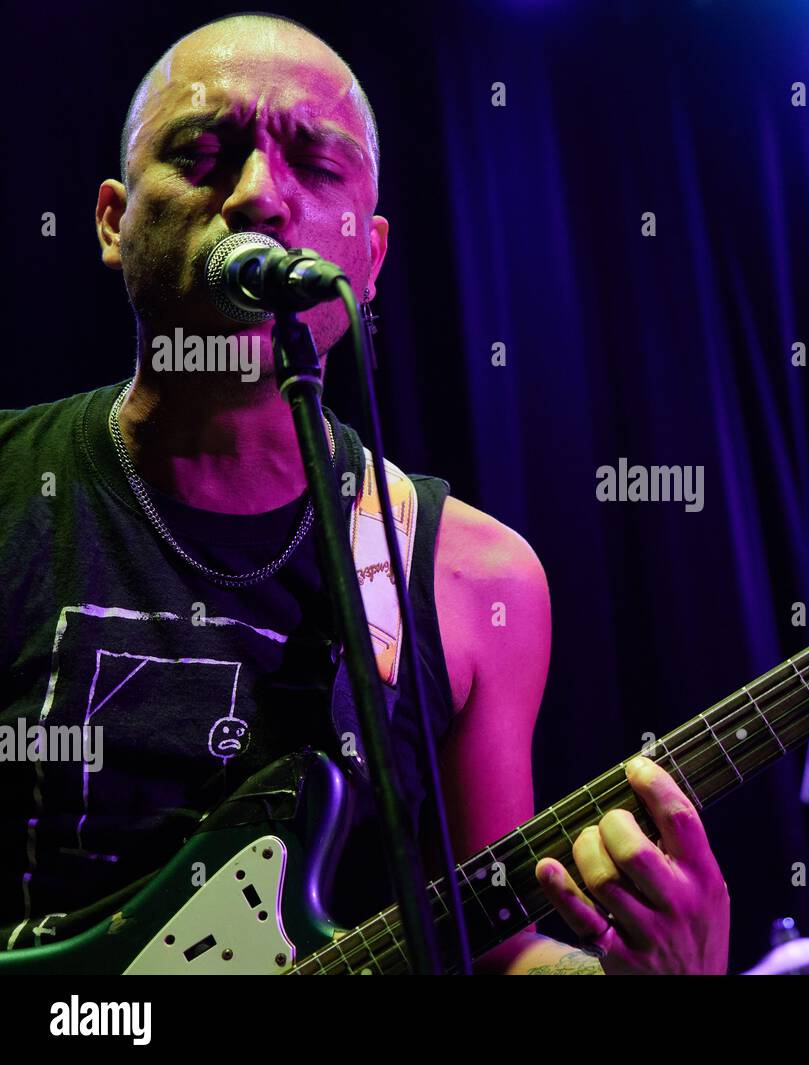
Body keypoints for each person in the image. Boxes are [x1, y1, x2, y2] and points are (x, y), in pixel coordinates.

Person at [0, 12, 729, 975]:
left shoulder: (475, 576)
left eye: (317, 163)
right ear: (112, 220)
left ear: (370, 258)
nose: (260, 196)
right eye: (203, 152)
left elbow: (491, 951)